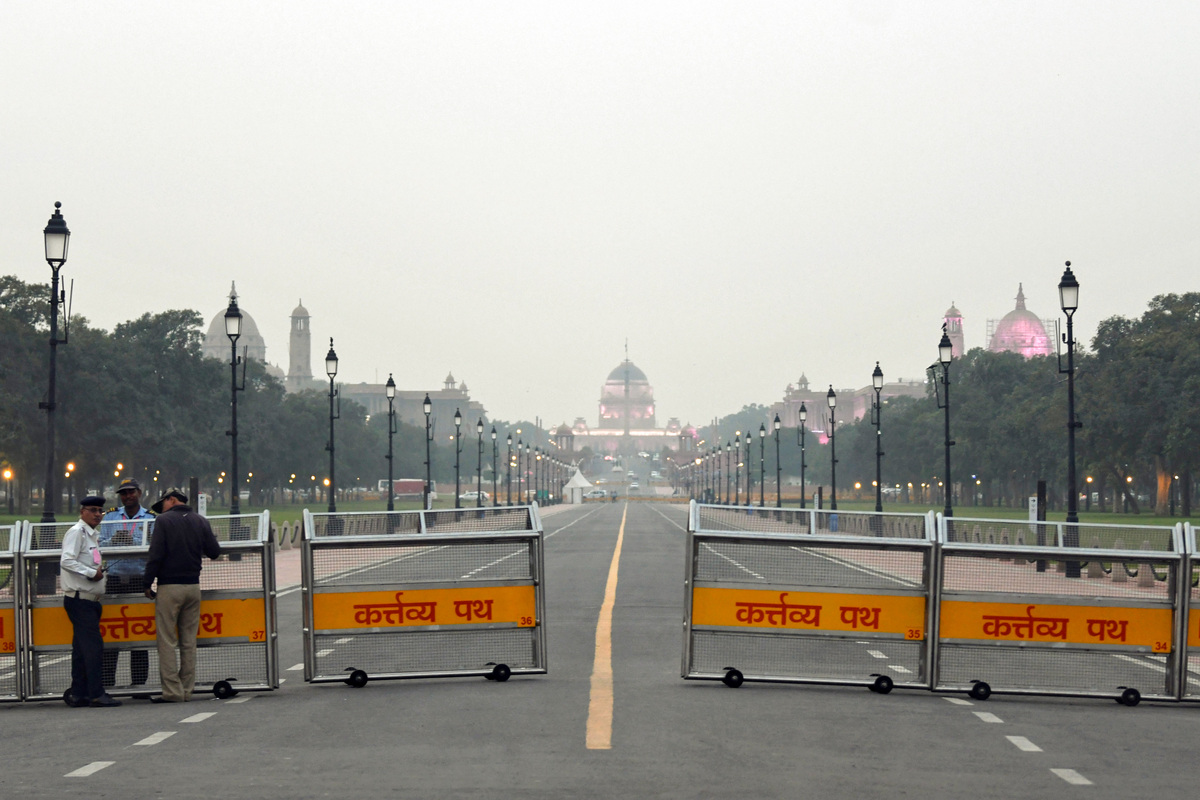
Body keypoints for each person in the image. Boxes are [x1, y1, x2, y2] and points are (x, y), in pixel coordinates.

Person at [143, 489, 221, 703]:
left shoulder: (164, 522)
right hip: (193, 586)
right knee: (188, 641)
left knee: (167, 640)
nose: (162, 510)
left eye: (164, 504)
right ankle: (187, 689)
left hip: (169, 587)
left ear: (172, 500)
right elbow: (214, 551)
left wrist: (147, 582)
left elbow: (155, 554)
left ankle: (172, 692)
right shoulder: (200, 521)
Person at [60, 495, 122, 707]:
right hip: (80, 600)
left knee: (81, 649)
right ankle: (96, 693)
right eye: (93, 510)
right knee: (94, 648)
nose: (97, 514)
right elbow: (67, 560)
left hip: (90, 601)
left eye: (100, 511)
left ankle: (79, 693)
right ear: (82, 512)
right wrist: (90, 573)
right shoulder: (77, 533)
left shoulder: (91, 536)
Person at [99, 478, 152, 688]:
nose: (127, 496)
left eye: (131, 492)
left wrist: (136, 544)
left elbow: (154, 546)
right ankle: (107, 682)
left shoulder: (150, 517)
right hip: (114, 579)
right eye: (123, 493)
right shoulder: (110, 516)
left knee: (140, 635)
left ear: (139, 493)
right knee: (111, 634)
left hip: (138, 580)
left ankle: (139, 683)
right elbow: (100, 543)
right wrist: (115, 541)